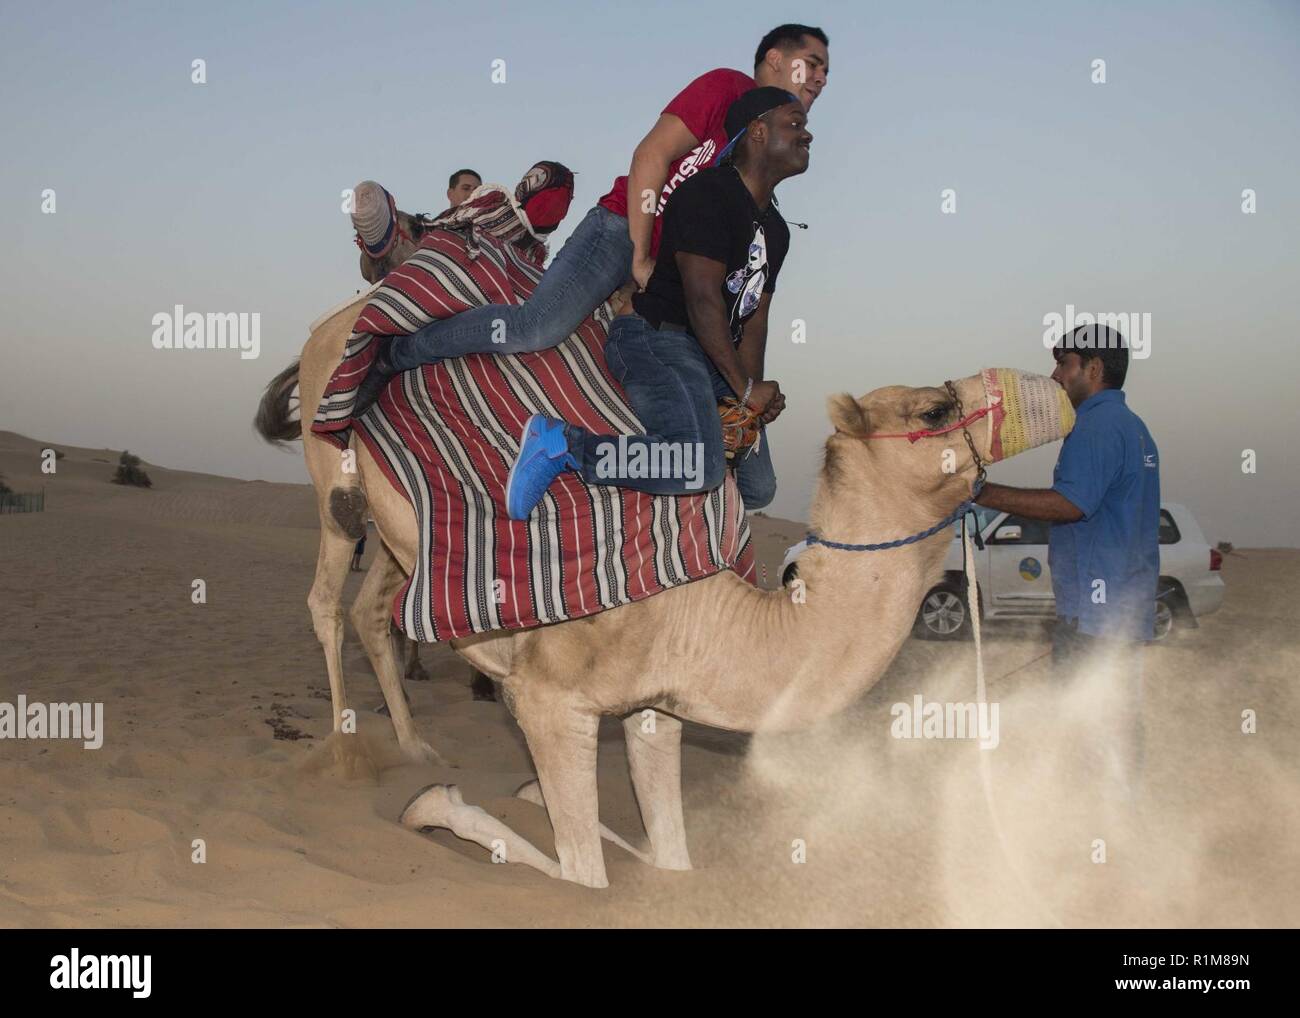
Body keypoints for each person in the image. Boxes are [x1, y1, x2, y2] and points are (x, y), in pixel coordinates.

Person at [350, 24, 829, 414]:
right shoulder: (727, 88)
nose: (821, 78)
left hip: (669, 270)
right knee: (536, 328)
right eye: (814, 64)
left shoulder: (770, 152)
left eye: (827, 71)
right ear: (773, 59)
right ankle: (396, 354)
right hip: (622, 229)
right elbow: (650, 156)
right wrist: (640, 255)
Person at [503, 88, 811, 518]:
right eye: (794, 124)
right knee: (699, 467)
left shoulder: (777, 230)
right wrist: (743, 389)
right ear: (758, 132)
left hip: (709, 355)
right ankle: (561, 444)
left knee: (761, 489)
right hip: (660, 337)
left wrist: (752, 402)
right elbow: (703, 301)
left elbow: (754, 320)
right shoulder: (705, 194)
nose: (808, 135)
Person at [975, 324, 1160, 789]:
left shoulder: (1096, 426)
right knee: (1114, 723)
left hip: (1096, 616)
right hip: (1117, 610)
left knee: (1084, 729)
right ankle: (1118, 824)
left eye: (1064, 363)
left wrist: (980, 491)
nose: (1054, 374)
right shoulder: (1134, 428)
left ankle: (1092, 832)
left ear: (1093, 369)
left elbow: (1069, 505)